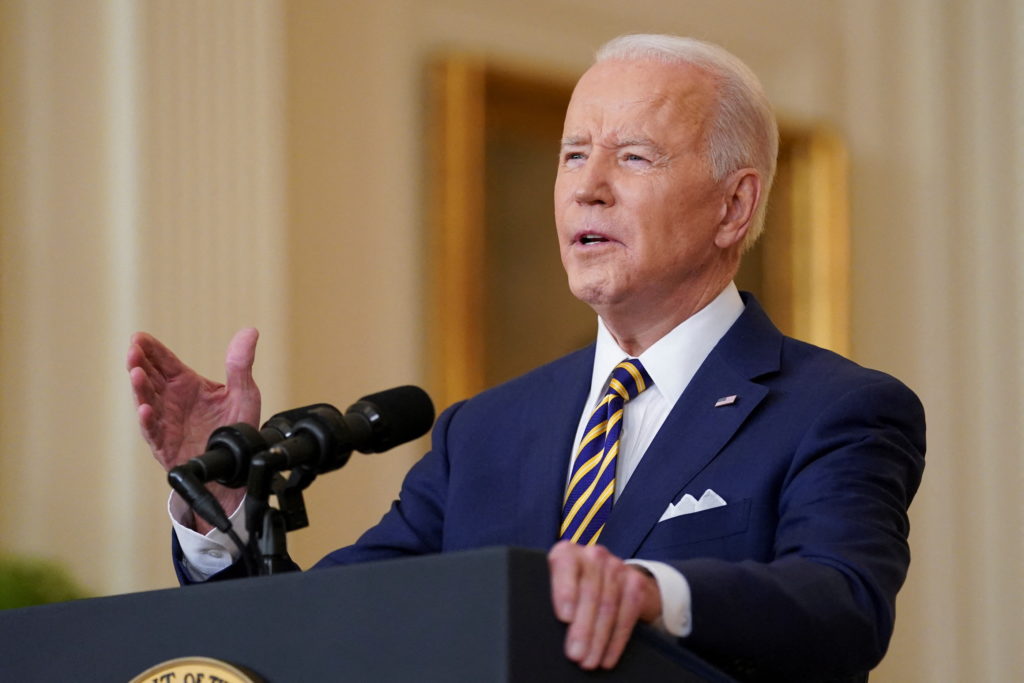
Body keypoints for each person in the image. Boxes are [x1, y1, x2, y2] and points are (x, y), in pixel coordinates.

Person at [127, 34, 925, 681]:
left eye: (634, 157)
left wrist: (651, 590)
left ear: (734, 205)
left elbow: (843, 602)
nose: (589, 187)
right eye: (573, 154)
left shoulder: (834, 407)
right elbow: (323, 627)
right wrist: (222, 503)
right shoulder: (484, 430)